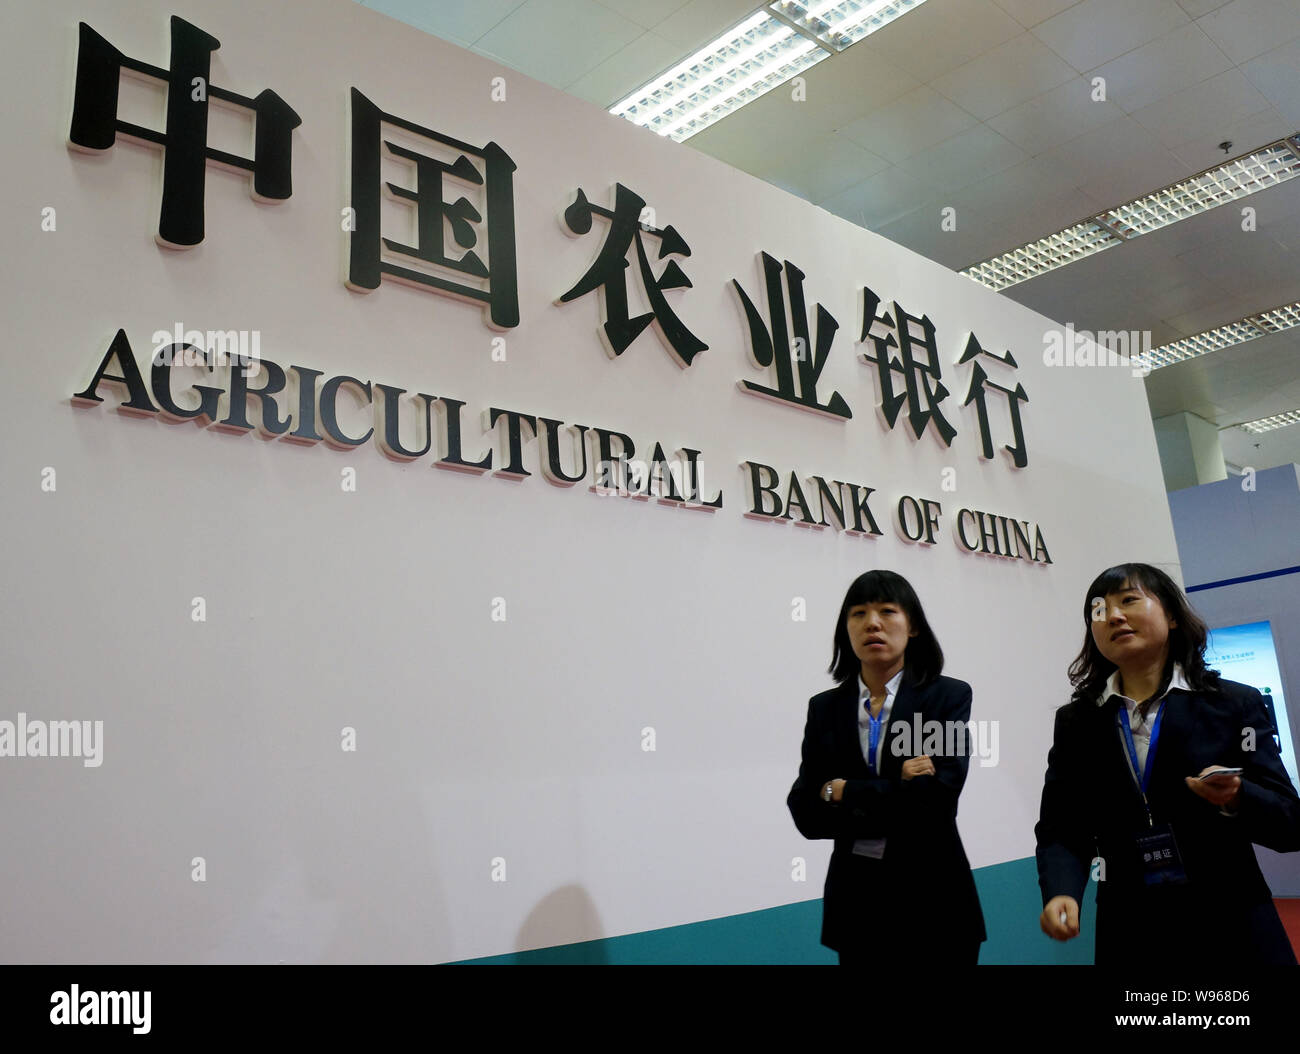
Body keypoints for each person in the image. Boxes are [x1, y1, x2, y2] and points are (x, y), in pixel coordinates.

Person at [1035, 562, 1300, 964]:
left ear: (1172, 616)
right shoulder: (1077, 722)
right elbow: (1062, 825)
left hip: (1231, 919)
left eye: (1129, 600)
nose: (1115, 615)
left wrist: (1237, 797)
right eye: (1100, 610)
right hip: (1132, 927)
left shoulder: (1232, 704)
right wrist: (1061, 890)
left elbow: (1289, 822)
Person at [787, 569, 986, 965]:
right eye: (858, 613)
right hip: (857, 908)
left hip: (935, 906)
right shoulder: (825, 708)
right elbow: (806, 813)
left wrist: (843, 791)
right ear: (846, 628)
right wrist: (896, 785)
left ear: (912, 626)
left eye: (887, 611)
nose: (872, 623)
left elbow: (935, 803)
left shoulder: (943, 697)